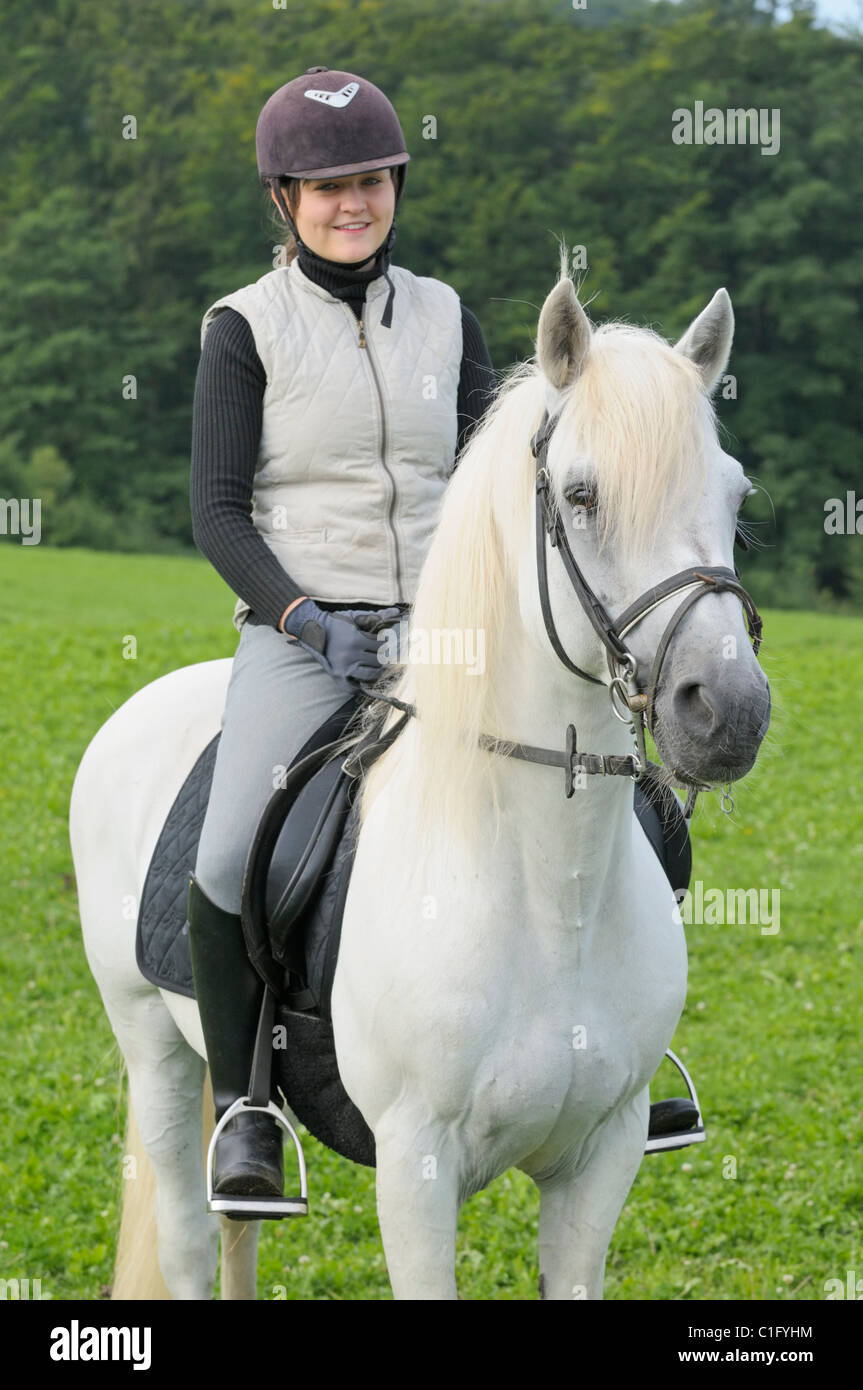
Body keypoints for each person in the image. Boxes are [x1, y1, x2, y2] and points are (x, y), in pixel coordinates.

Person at [187, 66, 497, 1216]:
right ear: (283, 199)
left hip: (447, 627)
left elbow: (483, 476)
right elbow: (218, 510)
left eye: (366, 179)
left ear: (394, 184)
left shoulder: (447, 313)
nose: (348, 203)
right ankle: (244, 1106)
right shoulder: (242, 328)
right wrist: (305, 619)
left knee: (617, 792)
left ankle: (619, 1056)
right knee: (226, 857)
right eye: (323, 187)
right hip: (299, 626)